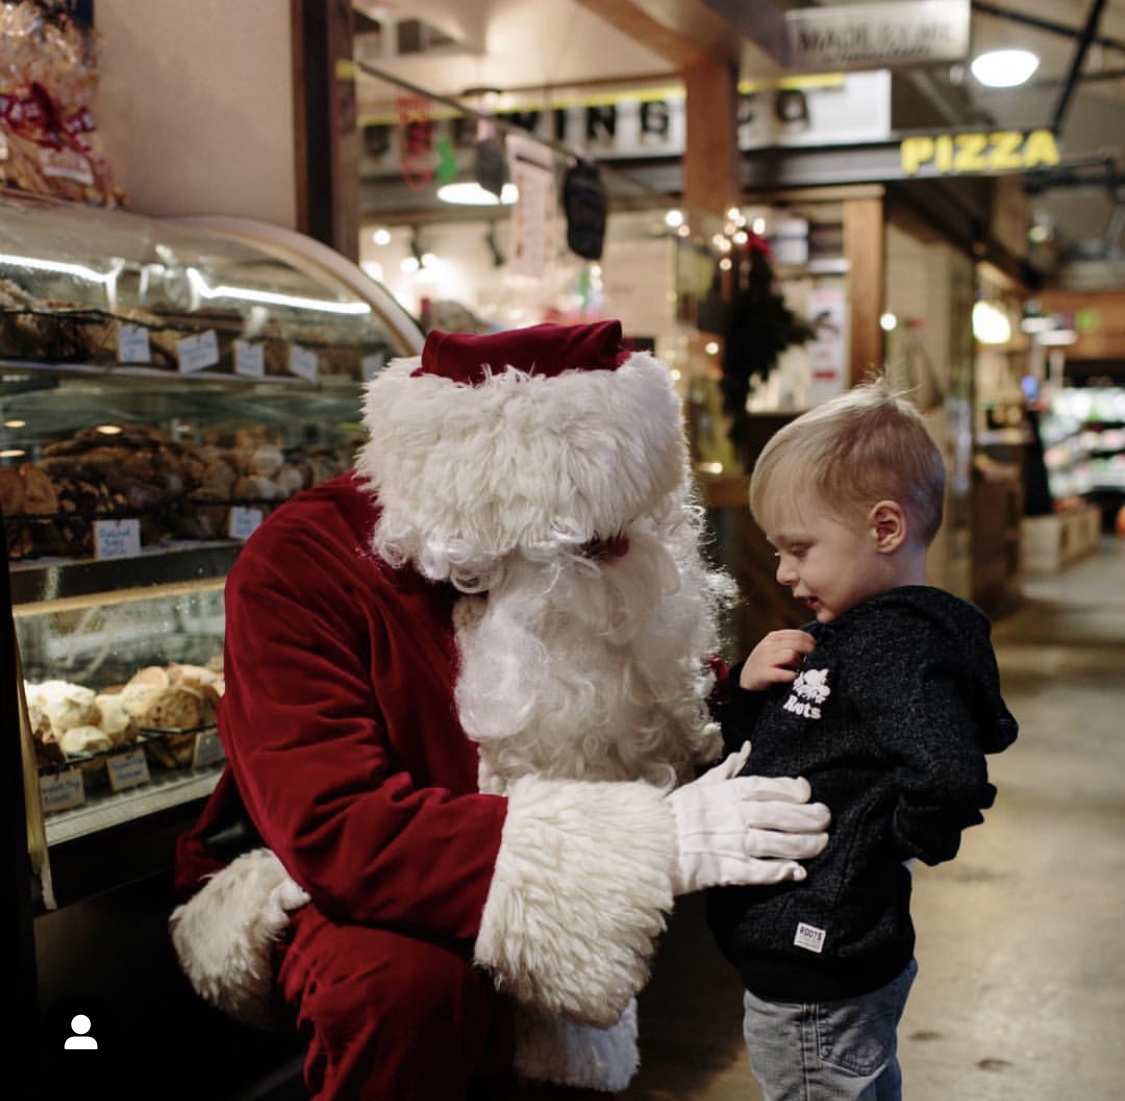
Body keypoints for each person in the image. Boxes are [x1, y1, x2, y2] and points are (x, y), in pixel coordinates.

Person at [169, 320, 831, 1101]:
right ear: (502, 504)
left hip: (514, 875)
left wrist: (730, 695)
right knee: (401, 985)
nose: (620, 552)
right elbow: (333, 825)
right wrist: (644, 846)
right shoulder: (303, 562)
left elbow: (630, 689)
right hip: (303, 876)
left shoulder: (607, 538)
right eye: (589, 535)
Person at [706, 378, 1018, 1101]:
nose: (783, 572)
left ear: (884, 528)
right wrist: (750, 693)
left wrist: (884, 843)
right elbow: (786, 754)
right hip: (810, 950)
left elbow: (946, 777)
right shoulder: (849, 637)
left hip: (821, 962)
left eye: (798, 548)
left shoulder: (894, 647)